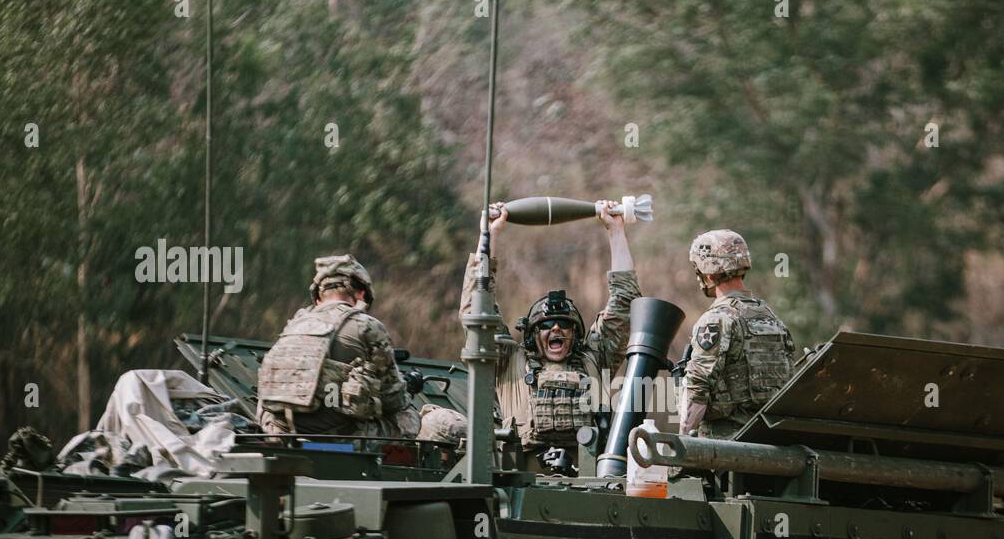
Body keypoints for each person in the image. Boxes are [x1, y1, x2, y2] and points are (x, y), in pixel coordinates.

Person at [462, 201, 640, 471]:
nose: (556, 329)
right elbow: (476, 308)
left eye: (563, 325)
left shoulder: (595, 358)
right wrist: (489, 235)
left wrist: (615, 230)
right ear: (533, 335)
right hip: (521, 484)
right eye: (547, 325)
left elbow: (624, 303)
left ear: (575, 334)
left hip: (589, 484)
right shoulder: (508, 361)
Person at [258, 254, 465, 443]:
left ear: (318, 296)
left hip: (279, 432)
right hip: (336, 436)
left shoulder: (294, 324)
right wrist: (407, 386)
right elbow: (394, 399)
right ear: (361, 294)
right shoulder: (366, 326)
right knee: (407, 415)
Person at [677, 229, 795, 439]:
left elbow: (697, 388)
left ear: (708, 273)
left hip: (725, 447)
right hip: (771, 442)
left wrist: (683, 446)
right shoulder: (772, 318)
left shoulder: (716, 319)